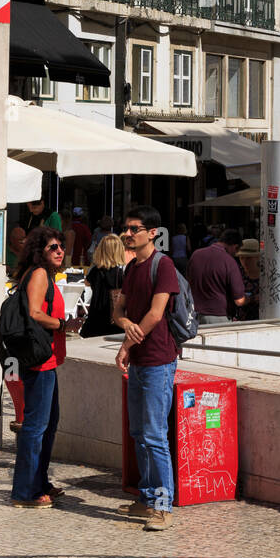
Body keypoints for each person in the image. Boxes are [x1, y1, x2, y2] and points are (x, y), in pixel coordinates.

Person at [113, 205, 180, 531]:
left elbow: (155, 314)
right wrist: (126, 325)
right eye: (126, 228)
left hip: (158, 361)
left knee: (155, 435)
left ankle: (164, 507)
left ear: (152, 232)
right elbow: (119, 310)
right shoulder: (132, 268)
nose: (128, 233)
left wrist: (126, 344)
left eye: (134, 228)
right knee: (138, 433)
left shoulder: (162, 265)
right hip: (139, 361)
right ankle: (147, 499)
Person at [10, 227, 67, 507]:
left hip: (48, 359)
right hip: (39, 361)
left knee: (49, 424)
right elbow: (33, 312)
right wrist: (61, 324)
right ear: (39, 252)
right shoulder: (40, 274)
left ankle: (40, 481)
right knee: (35, 426)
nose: (60, 251)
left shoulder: (43, 274)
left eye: (61, 246)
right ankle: (25, 491)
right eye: (52, 247)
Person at [187, 228, 246, 326]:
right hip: (218, 317)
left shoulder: (196, 255)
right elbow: (239, 300)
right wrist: (251, 299)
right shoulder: (229, 261)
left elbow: (188, 283)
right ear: (235, 247)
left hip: (193, 316)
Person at [80, 234, 126, 339]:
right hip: (114, 317)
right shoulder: (120, 273)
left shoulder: (95, 271)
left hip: (96, 316)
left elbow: (87, 283)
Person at [235, 238, 261, 321]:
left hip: (263, 321)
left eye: (249, 258)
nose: (245, 262)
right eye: (242, 258)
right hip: (240, 321)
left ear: (257, 257)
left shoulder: (267, 274)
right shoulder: (237, 273)